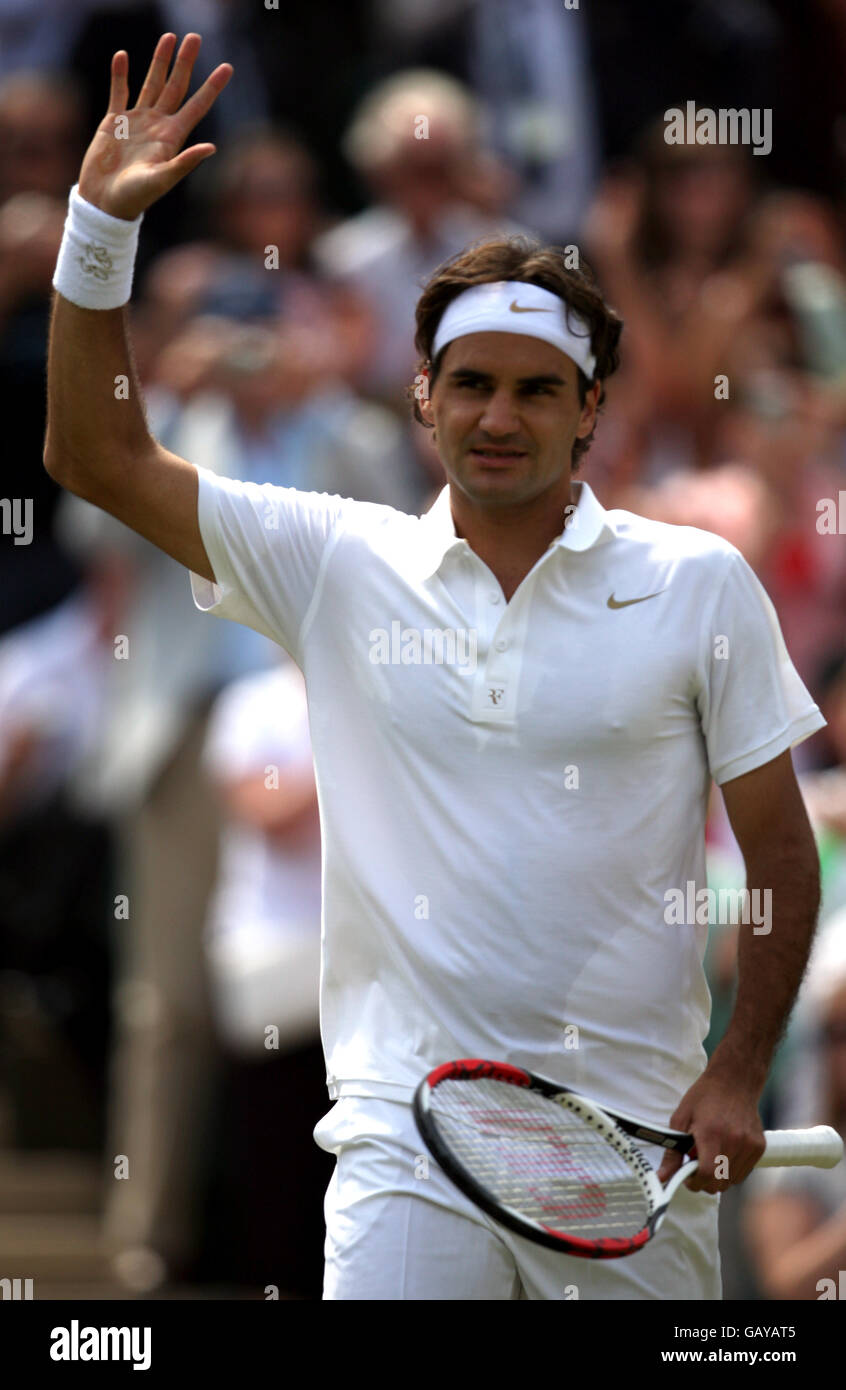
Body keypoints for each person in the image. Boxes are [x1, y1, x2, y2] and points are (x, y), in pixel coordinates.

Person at [44, 33, 827, 1300]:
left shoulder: (698, 583)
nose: (499, 417)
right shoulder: (333, 557)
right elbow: (95, 456)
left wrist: (737, 1070)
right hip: (404, 1139)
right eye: (470, 385)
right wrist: (96, 232)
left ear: (591, 411)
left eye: (535, 388)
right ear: (424, 398)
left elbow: (782, 856)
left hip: (633, 1147)